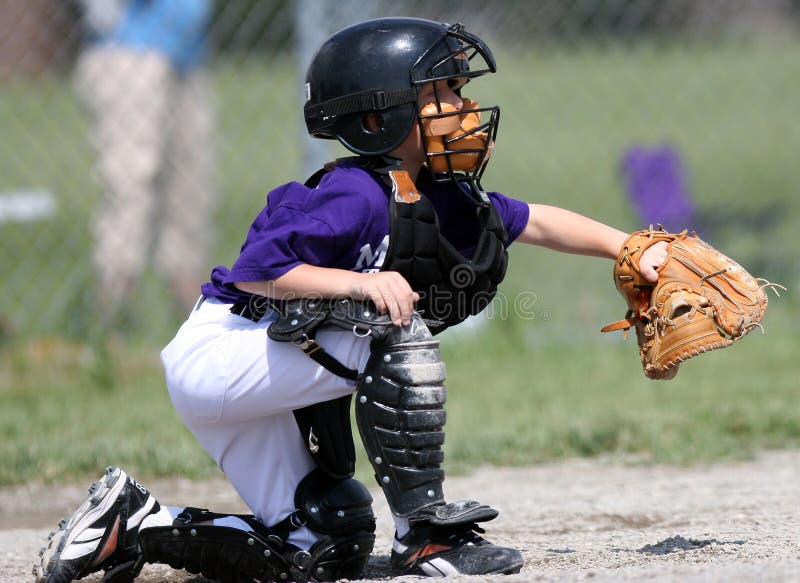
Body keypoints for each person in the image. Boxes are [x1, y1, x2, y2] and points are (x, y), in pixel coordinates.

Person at [35, 17, 668, 582]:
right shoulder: (353, 194)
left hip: (274, 368)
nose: (465, 106)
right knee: (394, 325)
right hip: (224, 352)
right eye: (442, 95)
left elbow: (536, 222)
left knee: (323, 544)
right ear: (377, 119)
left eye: (458, 90)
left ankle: (133, 523)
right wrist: (358, 282)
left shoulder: (444, 196)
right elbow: (259, 272)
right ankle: (428, 537)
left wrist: (633, 248)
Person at [75, 0, 216, 319]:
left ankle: (195, 321)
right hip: (127, 47)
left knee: (190, 190)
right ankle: (110, 318)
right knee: (131, 184)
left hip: (187, 50)